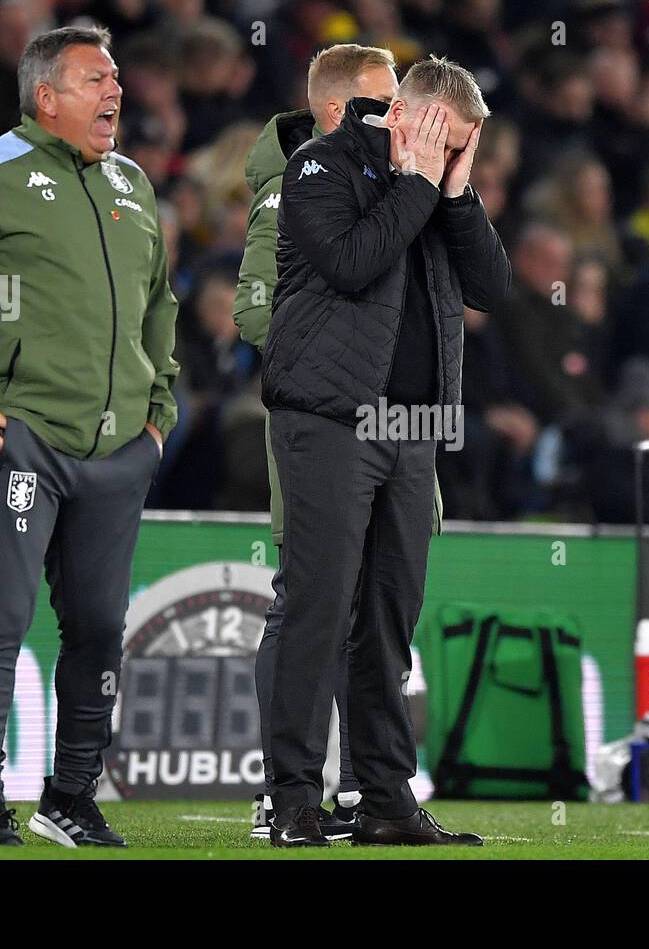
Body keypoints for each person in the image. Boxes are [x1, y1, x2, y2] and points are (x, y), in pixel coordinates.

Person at [0, 26, 178, 846]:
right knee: (1, 616)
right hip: (18, 441)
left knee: (97, 627)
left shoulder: (132, 183)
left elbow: (161, 304)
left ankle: (72, 796)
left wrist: (157, 414)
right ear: (46, 97)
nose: (116, 92)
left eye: (117, 77)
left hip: (119, 450)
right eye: (97, 79)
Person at [263, 55, 510, 846]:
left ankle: (384, 798)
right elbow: (351, 263)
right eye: (455, 144)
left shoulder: (441, 186)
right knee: (319, 608)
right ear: (414, 119)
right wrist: (414, 182)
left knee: (387, 620)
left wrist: (457, 191)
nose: (459, 160)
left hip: (411, 430)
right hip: (332, 420)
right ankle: (296, 799)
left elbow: (493, 288)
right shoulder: (317, 165)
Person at [232, 43, 399, 841]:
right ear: (339, 112)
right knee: (306, 605)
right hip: (323, 429)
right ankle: (283, 789)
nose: (399, 112)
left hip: (388, 430)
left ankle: (367, 790)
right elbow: (256, 315)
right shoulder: (291, 198)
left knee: (368, 613)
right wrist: (345, 351)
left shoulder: (390, 185)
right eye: (383, 99)